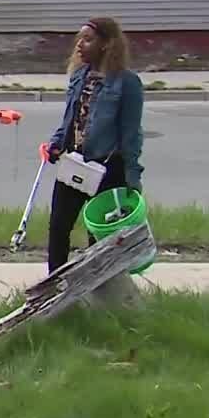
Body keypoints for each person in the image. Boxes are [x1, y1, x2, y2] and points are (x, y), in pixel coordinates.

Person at [43, 17, 145, 273]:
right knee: (58, 227)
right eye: (79, 39)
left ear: (107, 44)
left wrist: (132, 178)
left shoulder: (127, 83)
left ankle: (96, 287)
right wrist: (56, 144)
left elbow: (131, 134)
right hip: (75, 164)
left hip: (108, 168)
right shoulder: (79, 76)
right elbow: (71, 119)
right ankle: (55, 284)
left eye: (87, 40)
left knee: (97, 234)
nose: (79, 45)